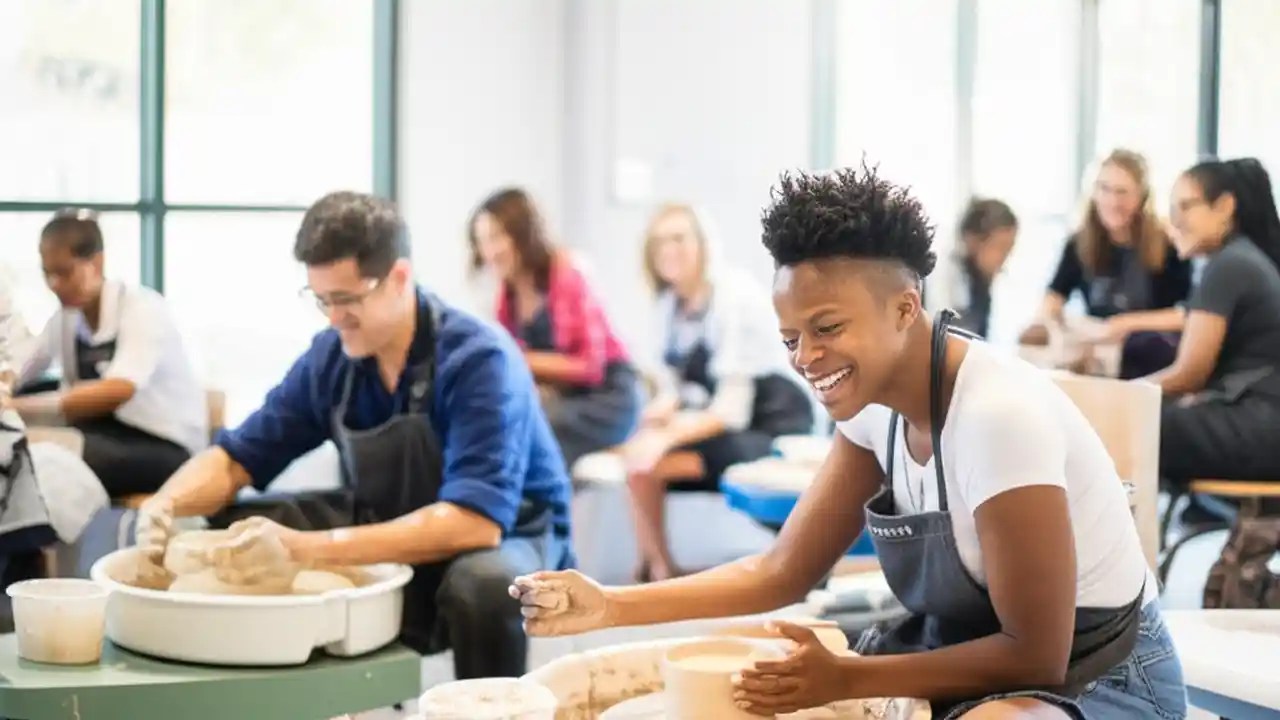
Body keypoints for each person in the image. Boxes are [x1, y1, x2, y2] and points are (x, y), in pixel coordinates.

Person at [512, 166, 1184, 719]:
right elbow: (782, 571)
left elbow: (1037, 655)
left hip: (1103, 673)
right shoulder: (872, 408)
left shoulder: (996, 417)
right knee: (753, 666)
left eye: (827, 327)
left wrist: (844, 681)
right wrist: (608, 604)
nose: (805, 358)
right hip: (971, 649)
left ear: (904, 308)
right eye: (790, 338)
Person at [134, 192, 573, 679]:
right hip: (393, 510)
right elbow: (239, 457)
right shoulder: (333, 356)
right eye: (321, 299)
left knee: (486, 585)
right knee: (237, 532)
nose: (333, 316)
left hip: (511, 530)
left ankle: (491, 709)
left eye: (347, 300)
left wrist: (304, 548)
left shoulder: (478, 359)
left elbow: (475, 522)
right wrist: (167, 502)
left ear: (399, 279)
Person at [621, 203, 812, 582]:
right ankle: (657, 566)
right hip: (718, 422)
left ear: (702, 244)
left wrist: (665, 437)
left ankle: (659, 570)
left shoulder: (733, 296)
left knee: (650, 460)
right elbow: (673, 386)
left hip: (768, 422)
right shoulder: (667, 307)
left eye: (679, 238)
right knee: (638, 460)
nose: (668, 250)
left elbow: (731, 410)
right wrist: (659, 413)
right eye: (659, 242)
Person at [10, 210, 207, 497]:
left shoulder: (142, 308)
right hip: (105, 433)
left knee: (47, 457)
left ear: (97, 263)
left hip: (164, 446)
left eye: (64, 272)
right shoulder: (65, 319)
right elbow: (23, 365)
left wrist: (18, 408)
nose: (55, 285)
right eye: (47, 273)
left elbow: (118, 389)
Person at [469, 188, 641, 469]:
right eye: (482, 242)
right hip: (565, 399)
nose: (489, 252)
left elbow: (589, 367)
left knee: (531, 427)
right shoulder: (506, 296)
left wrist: (520, 360)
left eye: (496, 238)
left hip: (608, 399)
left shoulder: (568, 273)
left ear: (522, 233)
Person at [1149, 158, 1280, 503]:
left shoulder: (1229, 266)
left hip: (1262, 430)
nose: (1173, 221)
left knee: (1126, 427)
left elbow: (1188, 375)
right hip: (1265, 427)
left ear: (1224, 207)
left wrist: (1116, 398)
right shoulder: (1242, 259)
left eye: (1186, 207)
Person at [1024, 149, 1192, 378]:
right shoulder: (1079, 242)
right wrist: (1050, 328)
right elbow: (1052, 300)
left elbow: (1186, 314)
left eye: (1122, 192)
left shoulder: (1168, 245)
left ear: (1142, 196)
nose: (1113, 201)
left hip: (1144, 348)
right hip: (1096, 341)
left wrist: (1125, 324)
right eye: (1104, 189)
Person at [950, 198, 1018, 338]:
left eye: (1009, 250)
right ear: (972, 240)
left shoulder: (981, 281)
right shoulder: (946, 278)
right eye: (1000, 248)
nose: (1004, 260)